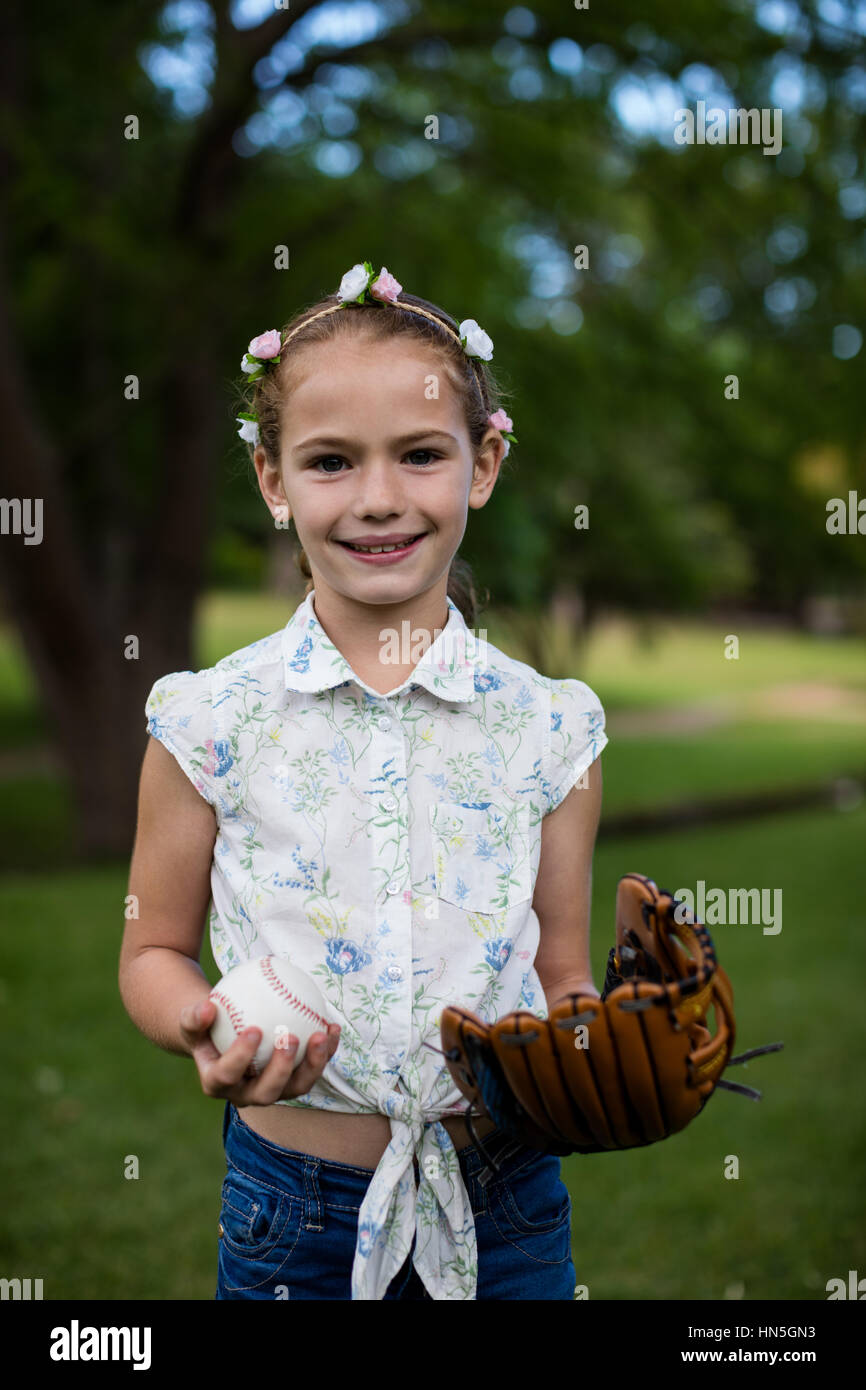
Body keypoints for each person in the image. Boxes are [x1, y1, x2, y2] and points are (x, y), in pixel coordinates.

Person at [119, 260, 608, 1301]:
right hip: (290, 1209)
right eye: (331, 461)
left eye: (420, 454)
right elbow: (153, 947)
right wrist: (199, 1026)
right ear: (272, 480)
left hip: (508, 1200)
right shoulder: (210, 720)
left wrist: (597, 1056)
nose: (378, 499)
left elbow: (562, 977)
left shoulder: (548, 728)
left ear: (482, 464)